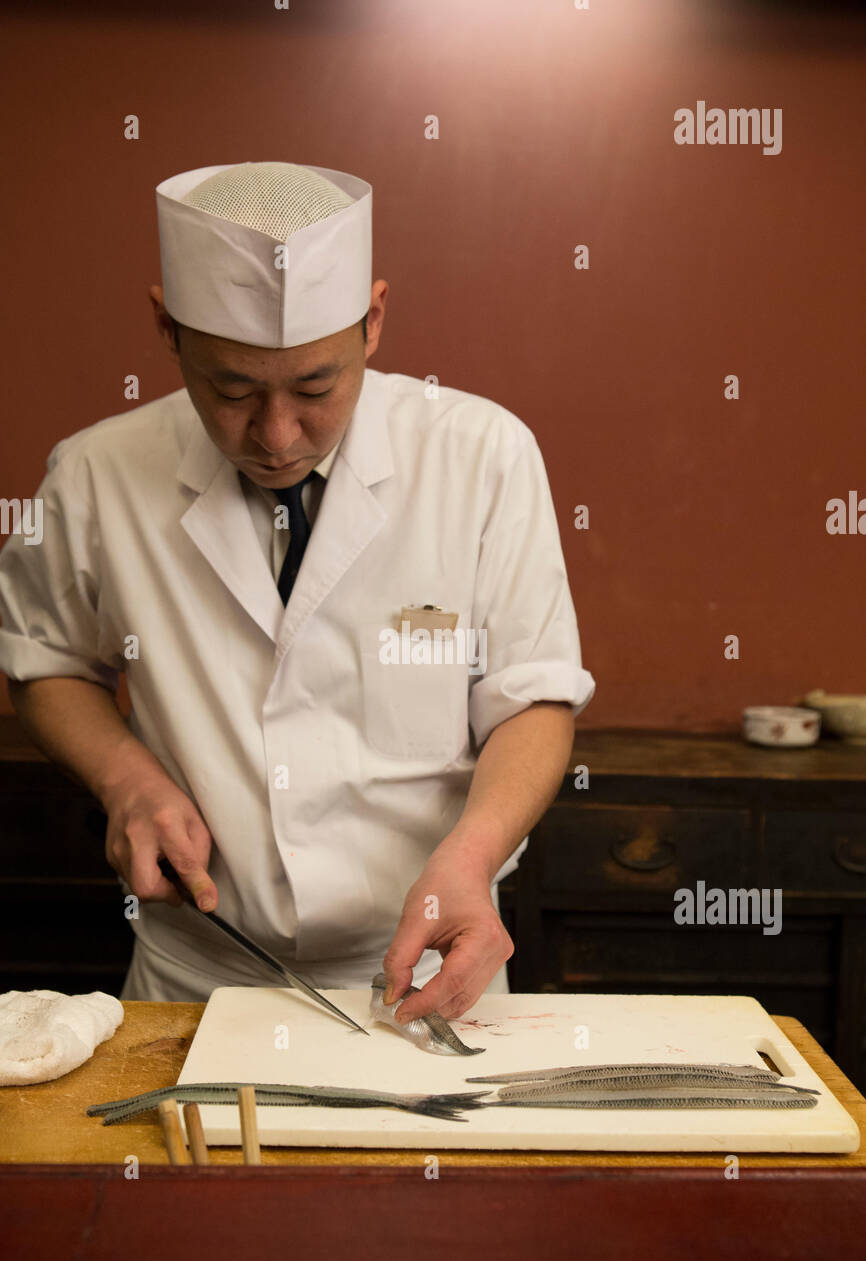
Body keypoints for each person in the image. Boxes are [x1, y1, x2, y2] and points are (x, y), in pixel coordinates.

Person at [0, 161, 595, 1024]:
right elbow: (45, 662)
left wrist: (471, 858)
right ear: (167, 327)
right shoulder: (95, 475)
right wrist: (126, 778)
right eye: (230, 389)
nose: (277, 436)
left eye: (317, 387)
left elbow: (533, 698)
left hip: (428, 972)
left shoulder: (484, 457)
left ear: (375, 322)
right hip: (197, 979)